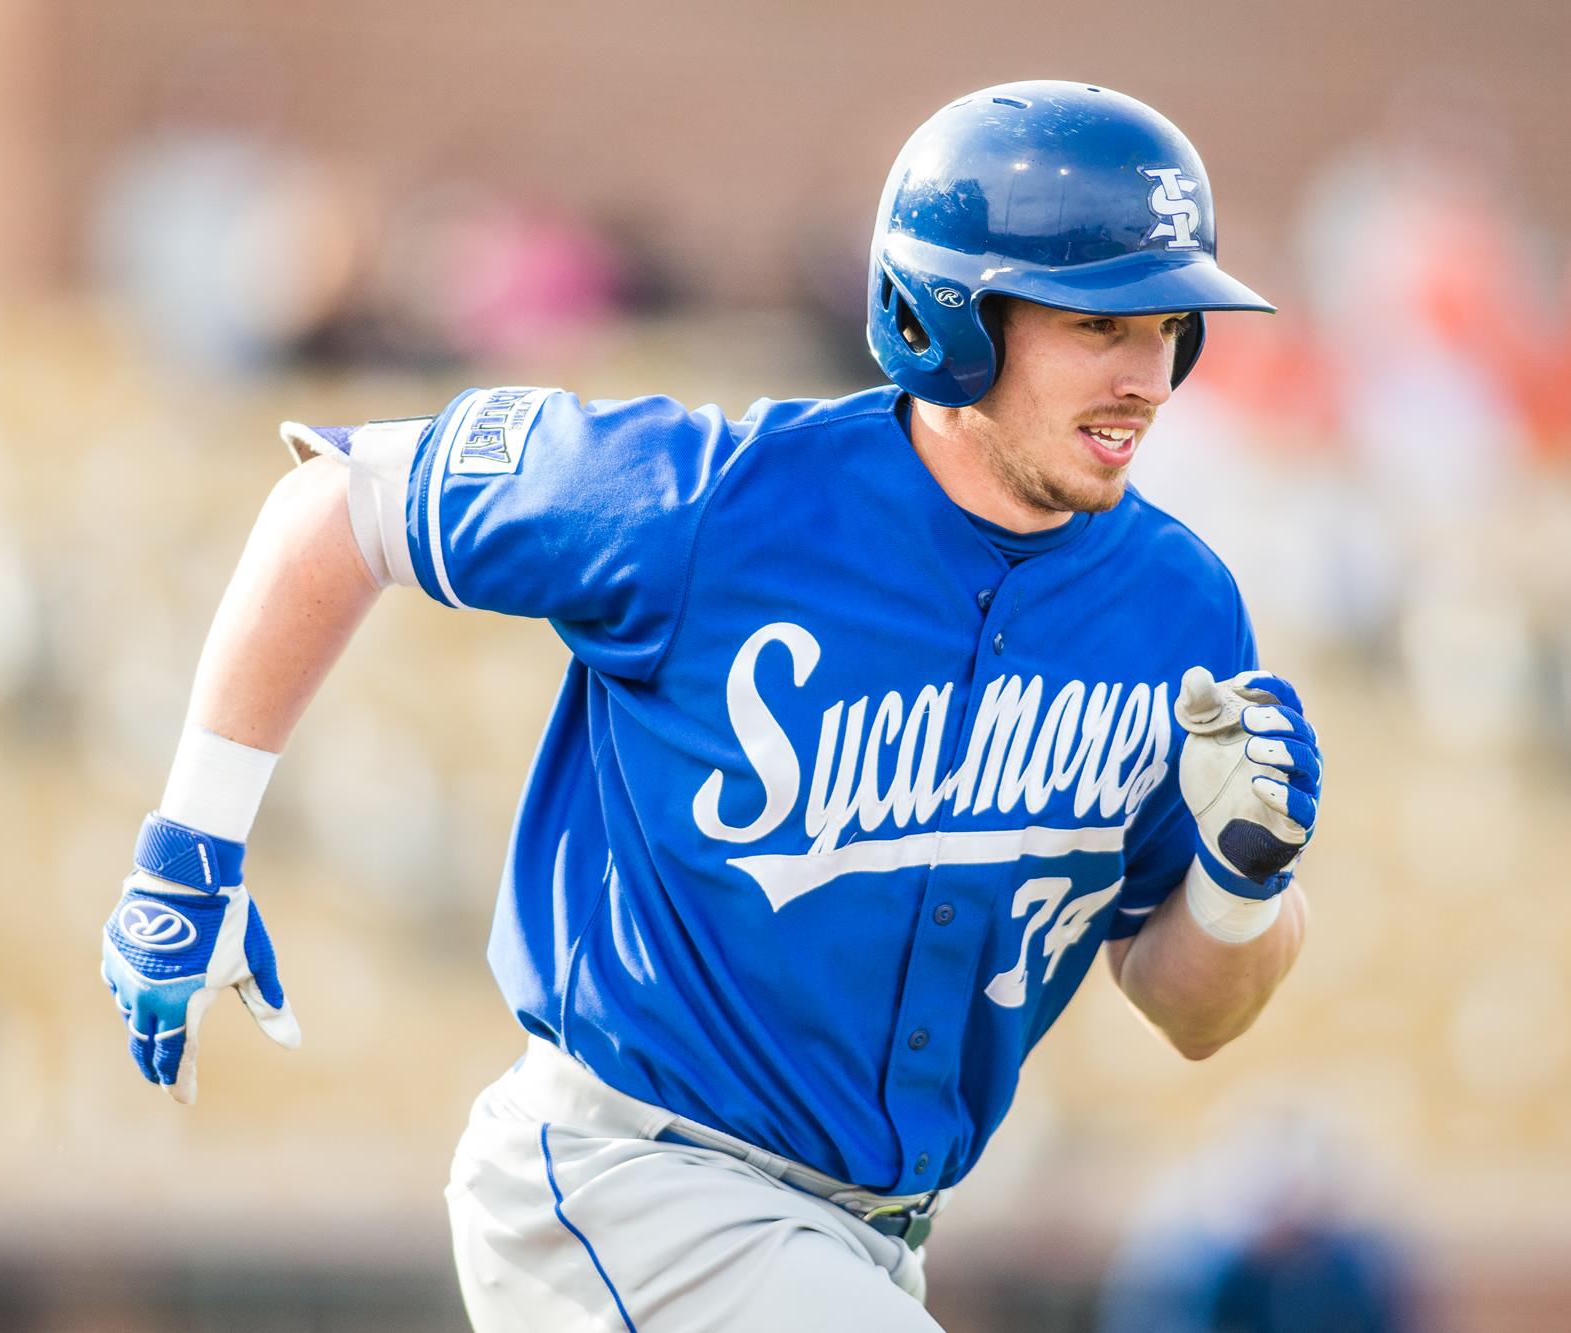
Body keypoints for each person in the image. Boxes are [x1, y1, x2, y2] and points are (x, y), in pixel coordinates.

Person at [99, 81, 1324, 1331]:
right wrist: (191, 842)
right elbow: (340, 506)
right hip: (633, 1188)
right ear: (951, 316)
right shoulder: (714, 499)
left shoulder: (1177, 609)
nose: (1148, 377)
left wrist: (1242, 881)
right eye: (1096, 324)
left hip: (863, 1244)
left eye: (1170, 326)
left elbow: (1190, 1013)